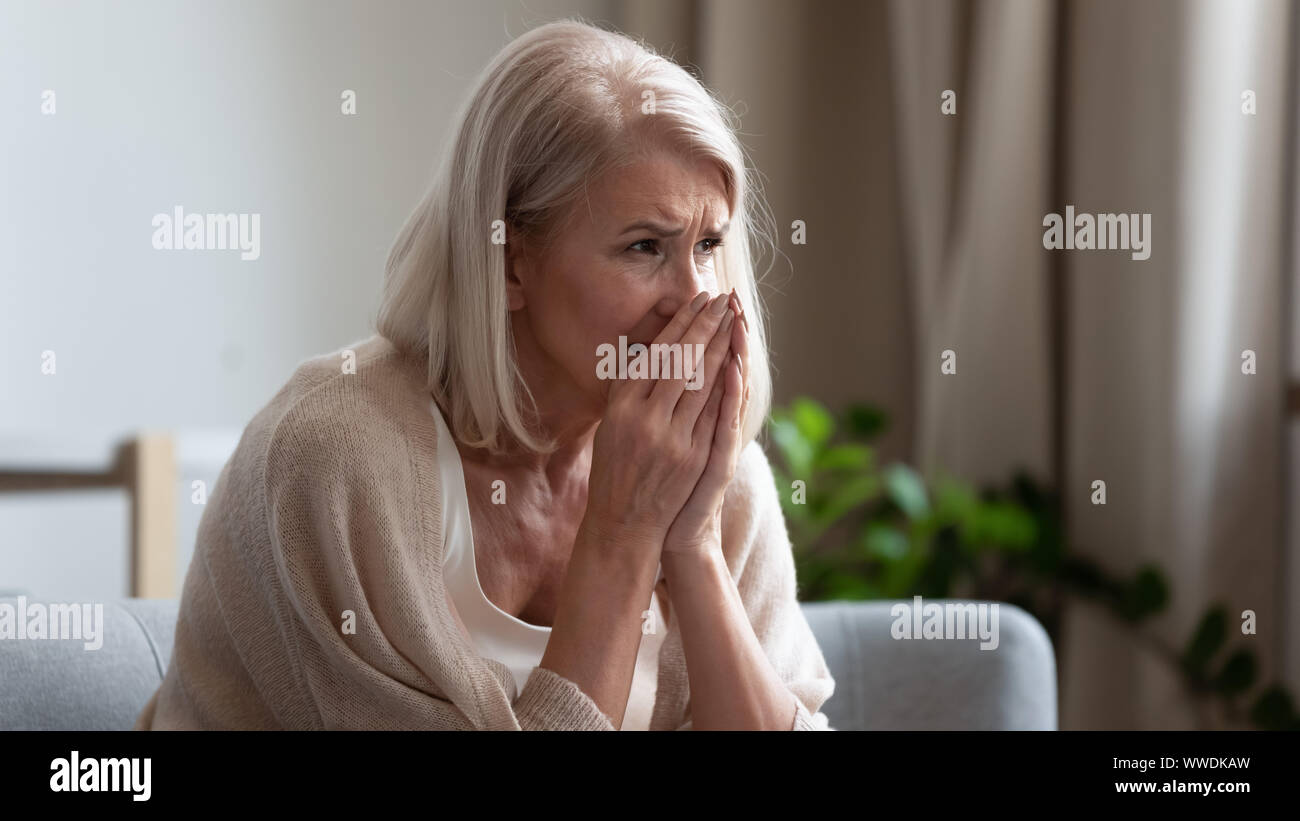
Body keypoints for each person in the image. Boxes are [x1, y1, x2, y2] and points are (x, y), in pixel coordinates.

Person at [136, 17, 834, 731]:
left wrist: (692, 546)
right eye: (645, 247)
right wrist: (622, 536)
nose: (695, 296)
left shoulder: (708, 464)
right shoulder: (333, 459)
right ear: (506, 262)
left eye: (709, 243)